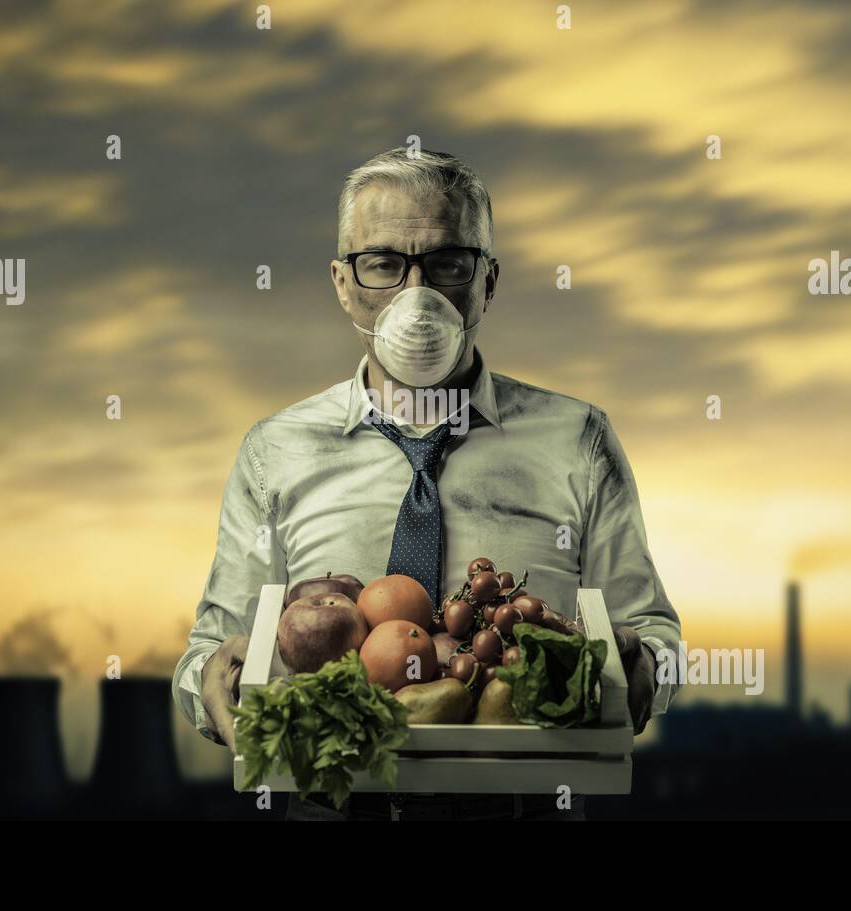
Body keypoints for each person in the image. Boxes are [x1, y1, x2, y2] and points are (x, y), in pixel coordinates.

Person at [173, 148, 683, 821]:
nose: (416, 294)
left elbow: (652, 633)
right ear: (342, 283)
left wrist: (645, 665)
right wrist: (210, 681)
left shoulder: (578, 440)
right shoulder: (275, 451)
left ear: (488, 280)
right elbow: (212, 650)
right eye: (383, 263)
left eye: (447, 263)